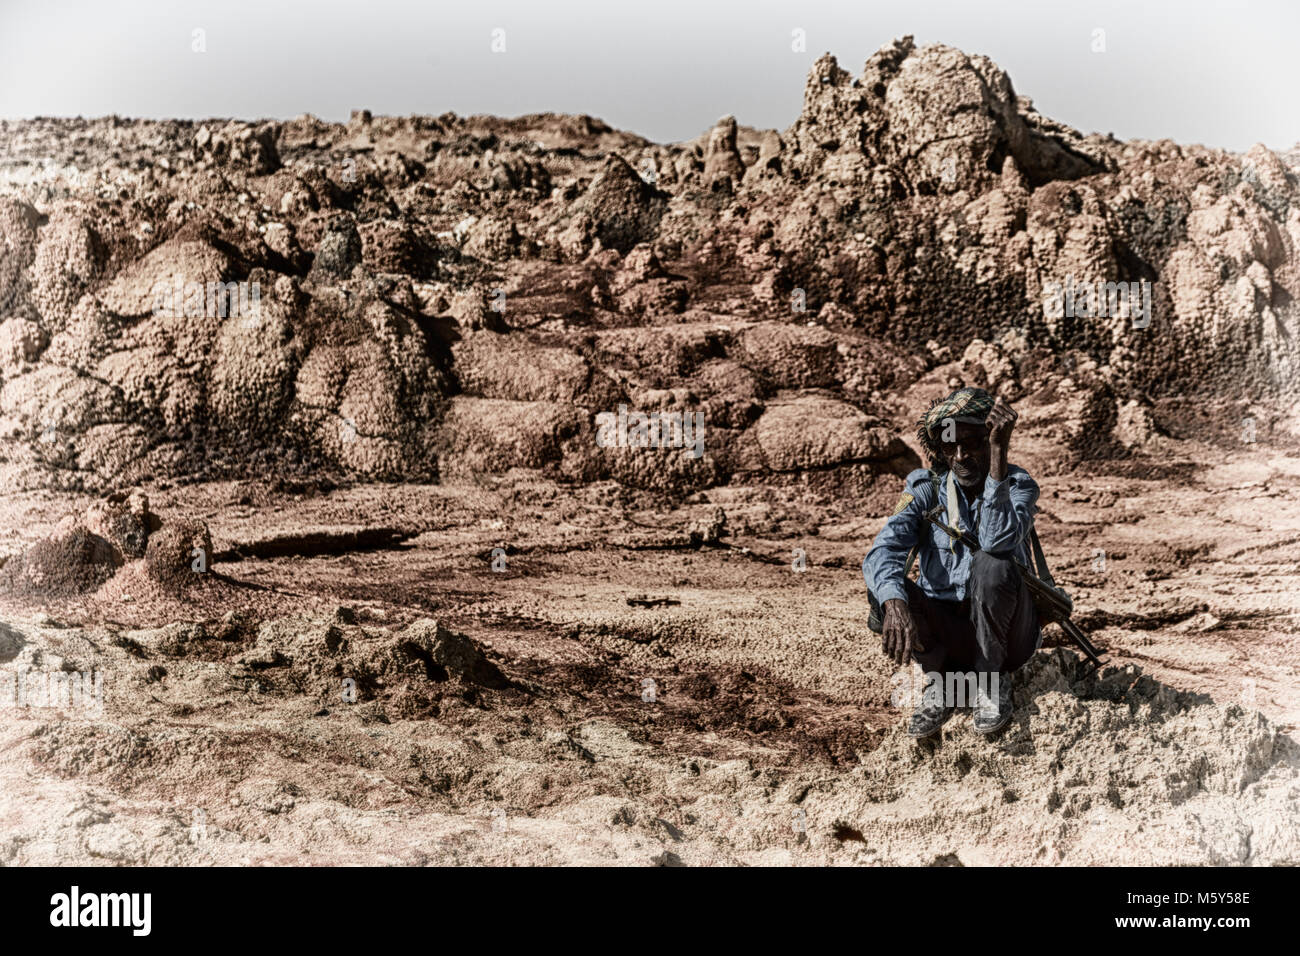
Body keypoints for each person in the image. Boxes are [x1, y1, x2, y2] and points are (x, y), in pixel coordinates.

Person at [862, 386, 1041, 737]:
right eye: (950, 446)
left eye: (973, 442)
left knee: (994, 564)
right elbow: (883, 550)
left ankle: (991, 680)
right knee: (884, 593)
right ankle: (942, 682)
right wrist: (894, 603)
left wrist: (998, 458)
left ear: (991, 442)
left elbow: (997, 542)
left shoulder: (1018, 484)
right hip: (949, 632)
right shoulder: (925, 487)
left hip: (1008, 636)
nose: (961, 456)